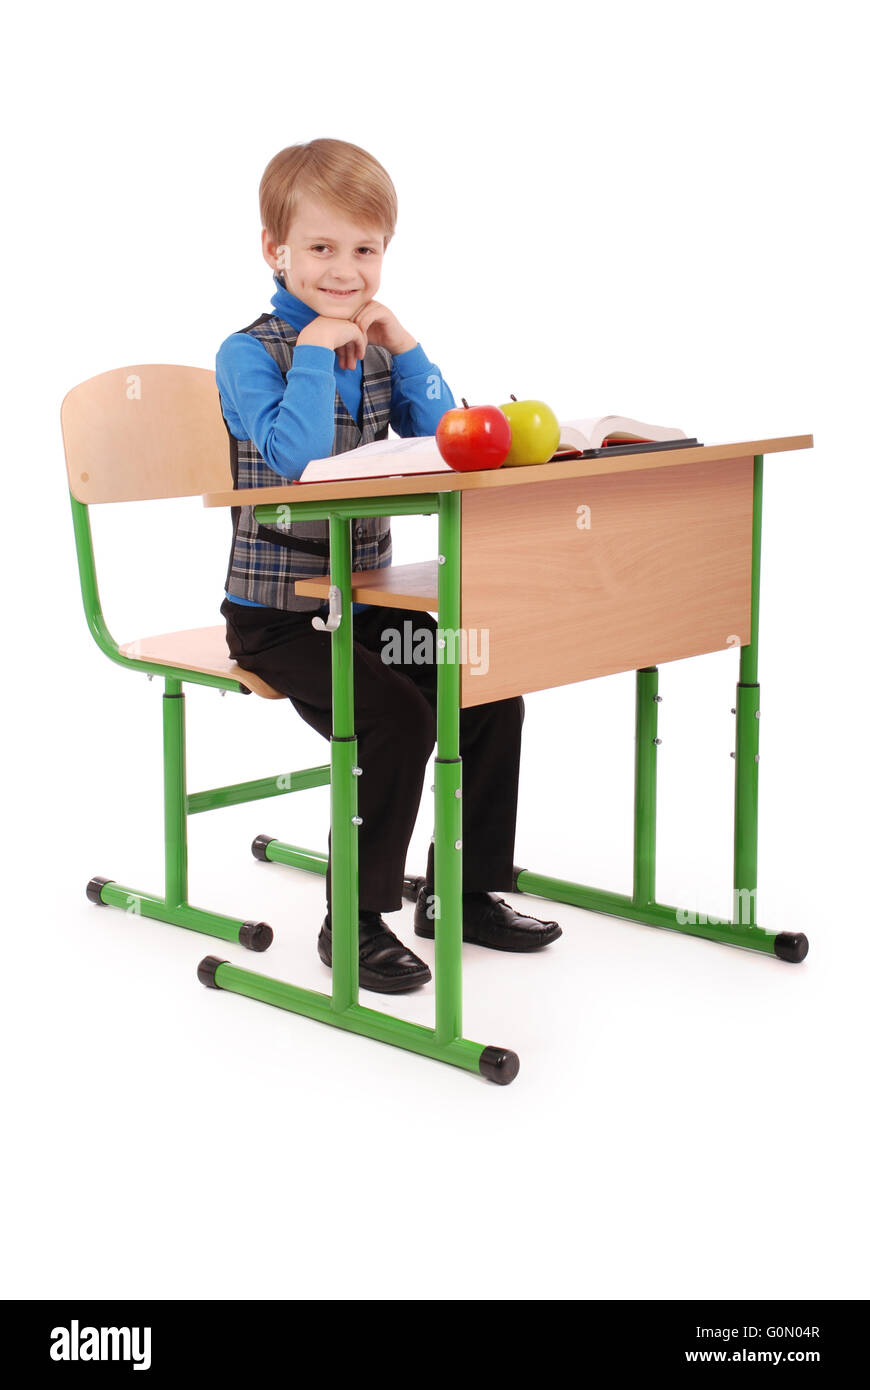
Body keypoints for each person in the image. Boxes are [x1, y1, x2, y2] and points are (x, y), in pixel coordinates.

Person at [216, 138, 561, 994]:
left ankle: (464, 890)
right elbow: (295, 460)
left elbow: (454, 439)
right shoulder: (249, 353)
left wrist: (402, 346)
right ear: (276, 250)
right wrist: (314, 351)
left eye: (364, 250)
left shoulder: (374, 349)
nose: (345, 269)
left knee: (479, 681)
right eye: (322, 249)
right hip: (280, 619)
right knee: (395, 716)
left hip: (359, 602)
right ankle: (356, 918)